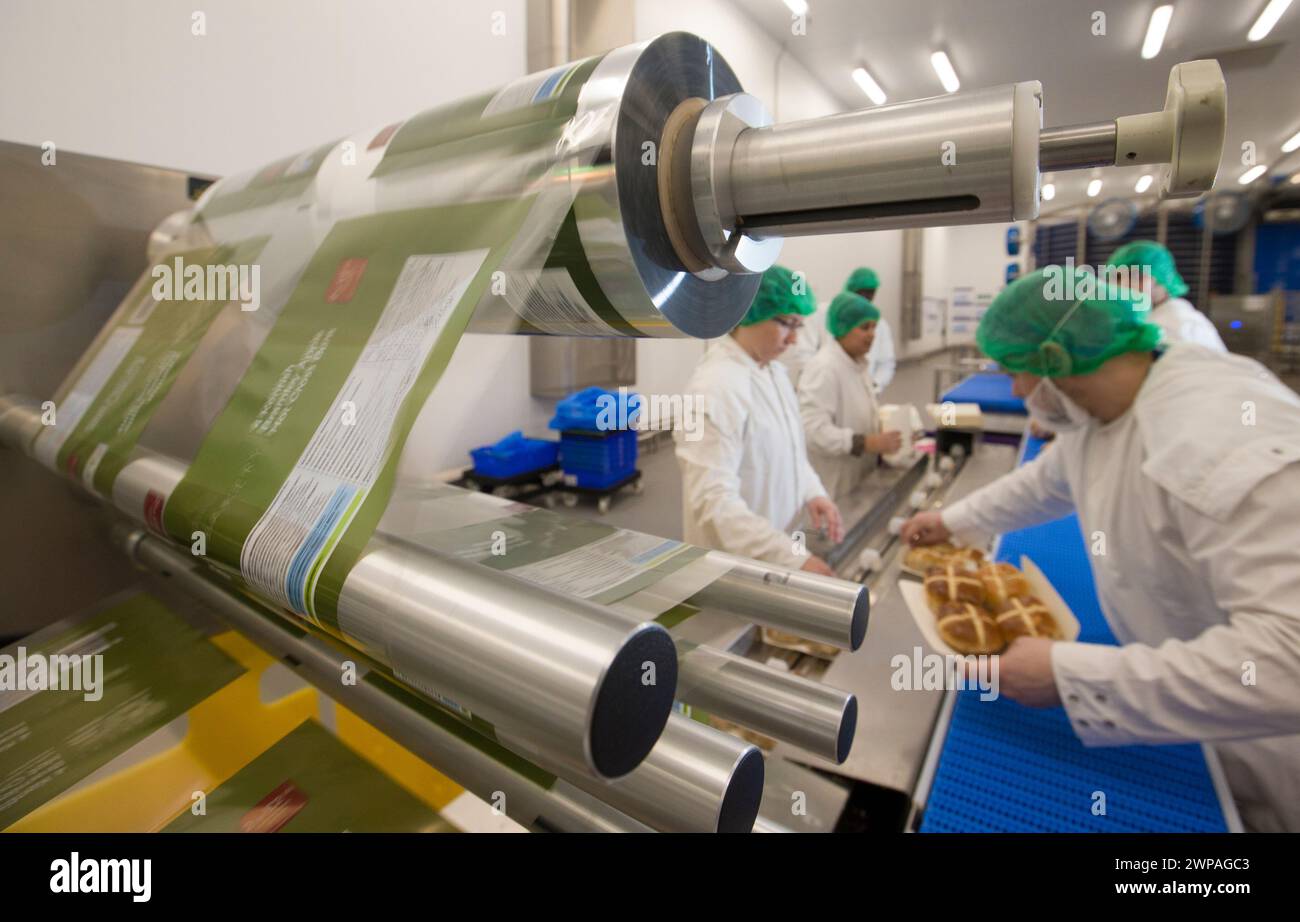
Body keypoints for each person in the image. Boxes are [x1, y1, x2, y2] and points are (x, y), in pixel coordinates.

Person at [900, 265, 1300, 832]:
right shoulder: (1113, 409)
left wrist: (1073, 678)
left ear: (1058, 360)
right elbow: (1048, 482)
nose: (1015, 391)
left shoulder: (1217, 431)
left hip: (1264, 754)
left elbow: (1287, 659)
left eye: (1019, 373)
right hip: (1191, 723)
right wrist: (951, 519)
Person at [676, 265, 844, 576]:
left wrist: (813, 491)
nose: (794, 339)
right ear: (750, 311)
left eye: (799, 326)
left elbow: (790, 452)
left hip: (771, 551)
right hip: (728, 570)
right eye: (787, 324)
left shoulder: (773, 372)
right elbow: (714, 504)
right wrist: (793, 559)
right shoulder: (715, 388)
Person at [798, 292, 903, 503]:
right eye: (864, 327)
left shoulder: (857, 364)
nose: (872, 334)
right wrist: (864, 443)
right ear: (843, 328)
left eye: (874, 327)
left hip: (857, 479)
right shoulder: (825, 368)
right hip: (834, 486)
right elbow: (813, 431)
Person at [1106, 240, 1227, 352]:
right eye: (1118, 278)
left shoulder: (1173, 327)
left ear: (1162, 281)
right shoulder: (1155, 317)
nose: (1124, 286)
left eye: (1137, 277)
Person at [845, 266, 898, 392]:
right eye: (861, 292)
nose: (865, 297)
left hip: (867, 390)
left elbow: (886, 362)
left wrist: (874, 384)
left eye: (870, 292)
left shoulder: (881, 325)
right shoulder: (830, 317)